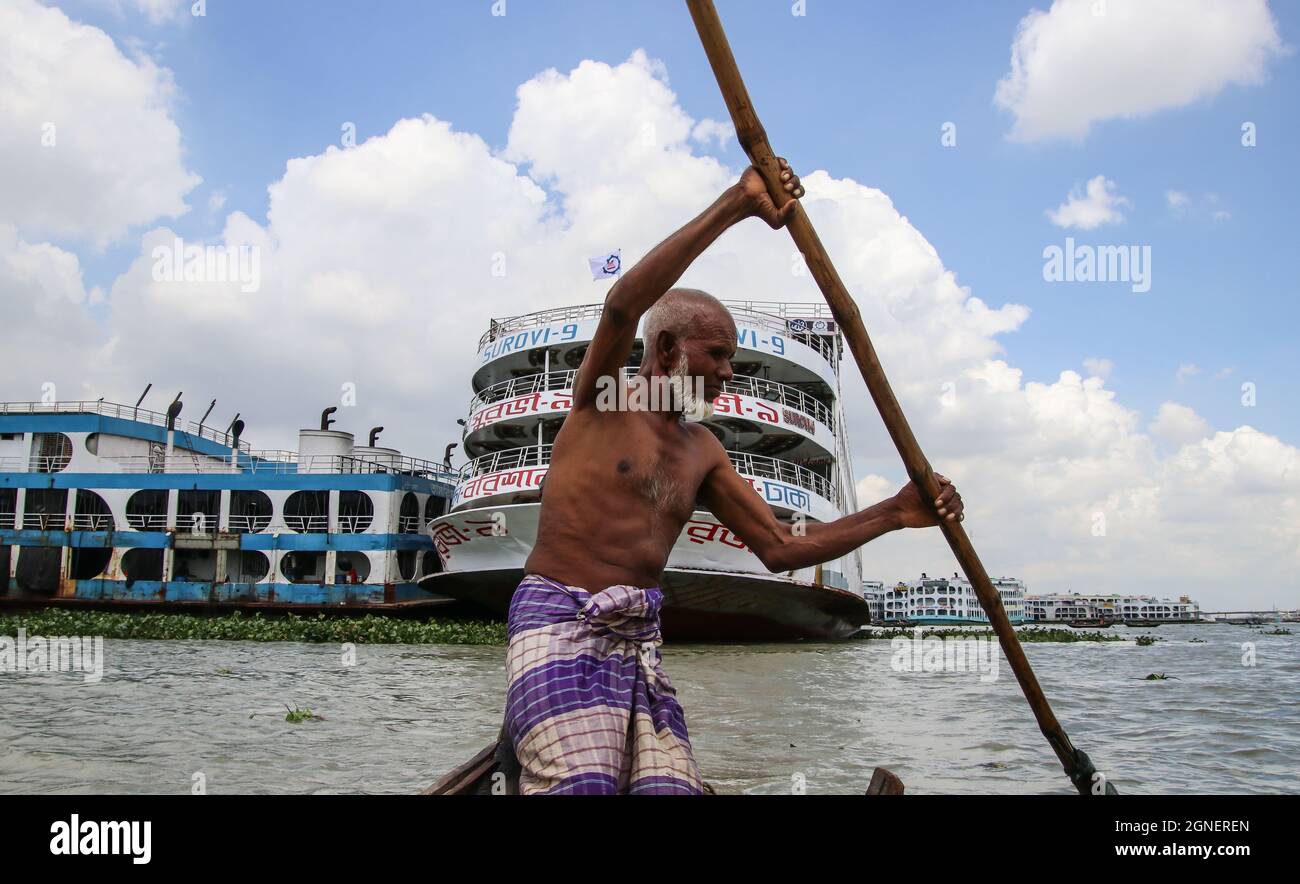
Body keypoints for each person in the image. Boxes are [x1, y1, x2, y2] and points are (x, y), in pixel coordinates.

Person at [504, 159, 964, 794]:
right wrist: (739, 202)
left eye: (732, 358)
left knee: (670, 789)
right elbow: (622, 306)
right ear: (666, 349)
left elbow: (781, 549)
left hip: (638, 636)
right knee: (581, 786)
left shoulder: (704, 451)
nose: (727, 373)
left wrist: (894, 513)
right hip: (557, 621)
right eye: (715, 354)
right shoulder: (604, 401)